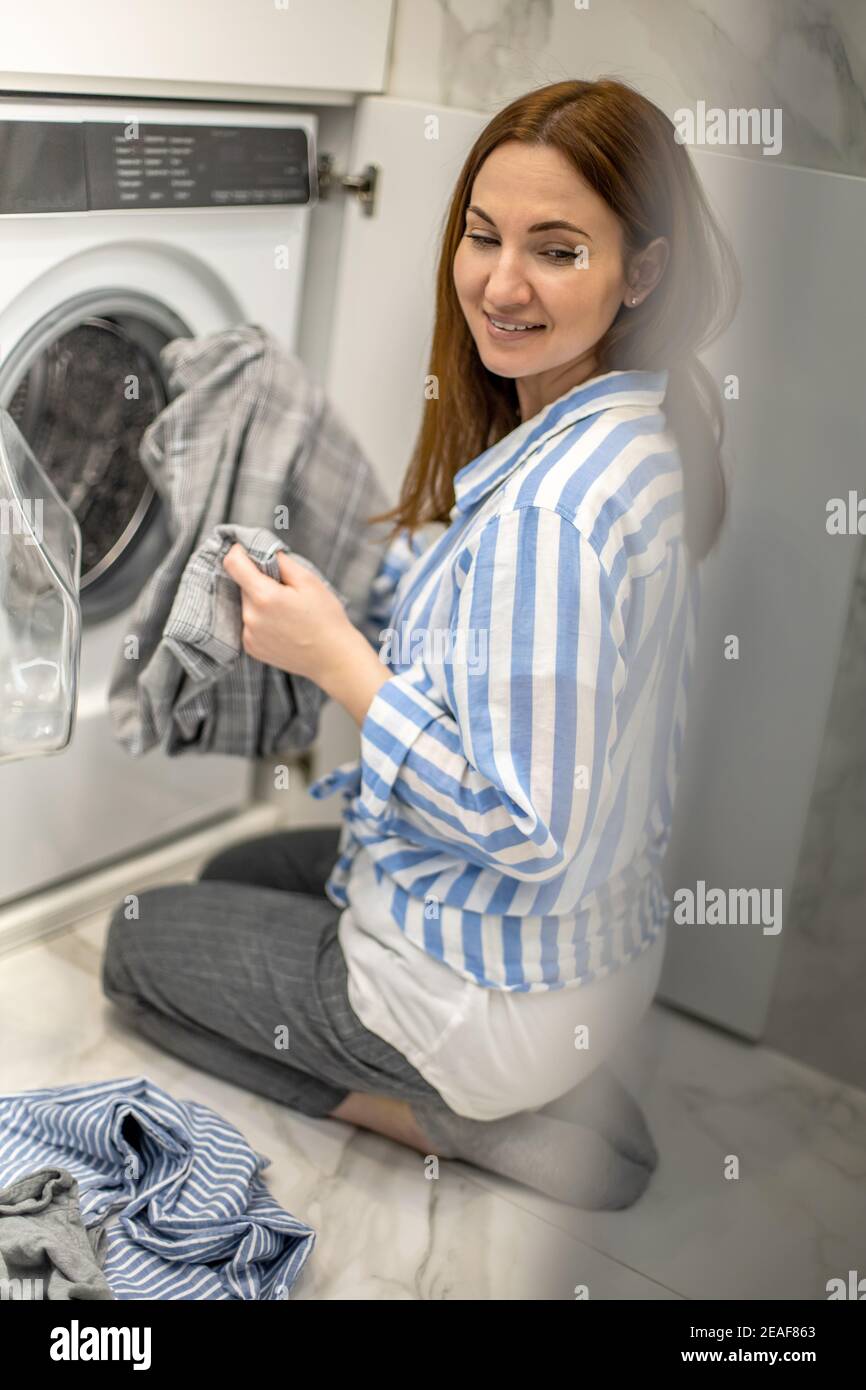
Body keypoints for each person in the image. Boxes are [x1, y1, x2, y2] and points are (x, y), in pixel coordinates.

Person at [102, 77, 739, 1211]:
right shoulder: (629, 435)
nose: (500, 283)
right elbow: (495, 646)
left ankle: (447, 1118)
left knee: (136, 951)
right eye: (483, 236)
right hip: (584, 964)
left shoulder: (551, 511)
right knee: (231, 875)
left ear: (641, 270)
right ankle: (551, 1088)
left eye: (556, 251)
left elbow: (527, 823)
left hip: (475, 1008)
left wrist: (335, 656)